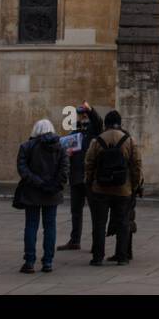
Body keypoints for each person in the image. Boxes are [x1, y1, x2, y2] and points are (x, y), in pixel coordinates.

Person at [84, 110, 142, 266]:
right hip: (123, 189)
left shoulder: (97, 140)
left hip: (100, 188)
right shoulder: (129, 140)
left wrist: (89, 182)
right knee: (123, 222)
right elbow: (136, 164)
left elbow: (89, 163)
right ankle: (122, 257)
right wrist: (135, 185)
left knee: (99, 223)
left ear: (106, 123)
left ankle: (97, 257)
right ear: (119, 123)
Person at [16, 118, 68, 273]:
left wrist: (38, 182)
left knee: (31, 226)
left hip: (32, 191)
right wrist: (53, 185)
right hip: (52, 193)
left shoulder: (27, 146)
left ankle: (30, 261)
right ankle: (48, 262)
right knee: (50, 227)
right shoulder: (60, 147)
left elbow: (22, 169)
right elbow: (64, 169)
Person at [59, 102, 101, 251]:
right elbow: (63, 148)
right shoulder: (74, 132)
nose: (82, 117)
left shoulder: (93, 131)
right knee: (75, 210)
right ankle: (74, 240)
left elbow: (98, 121)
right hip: (76, 176)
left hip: (89, 178)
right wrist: (66, 153)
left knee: (95, 211)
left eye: (84, 115)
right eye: (80, 114)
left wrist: (90, 110)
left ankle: (97, 242)